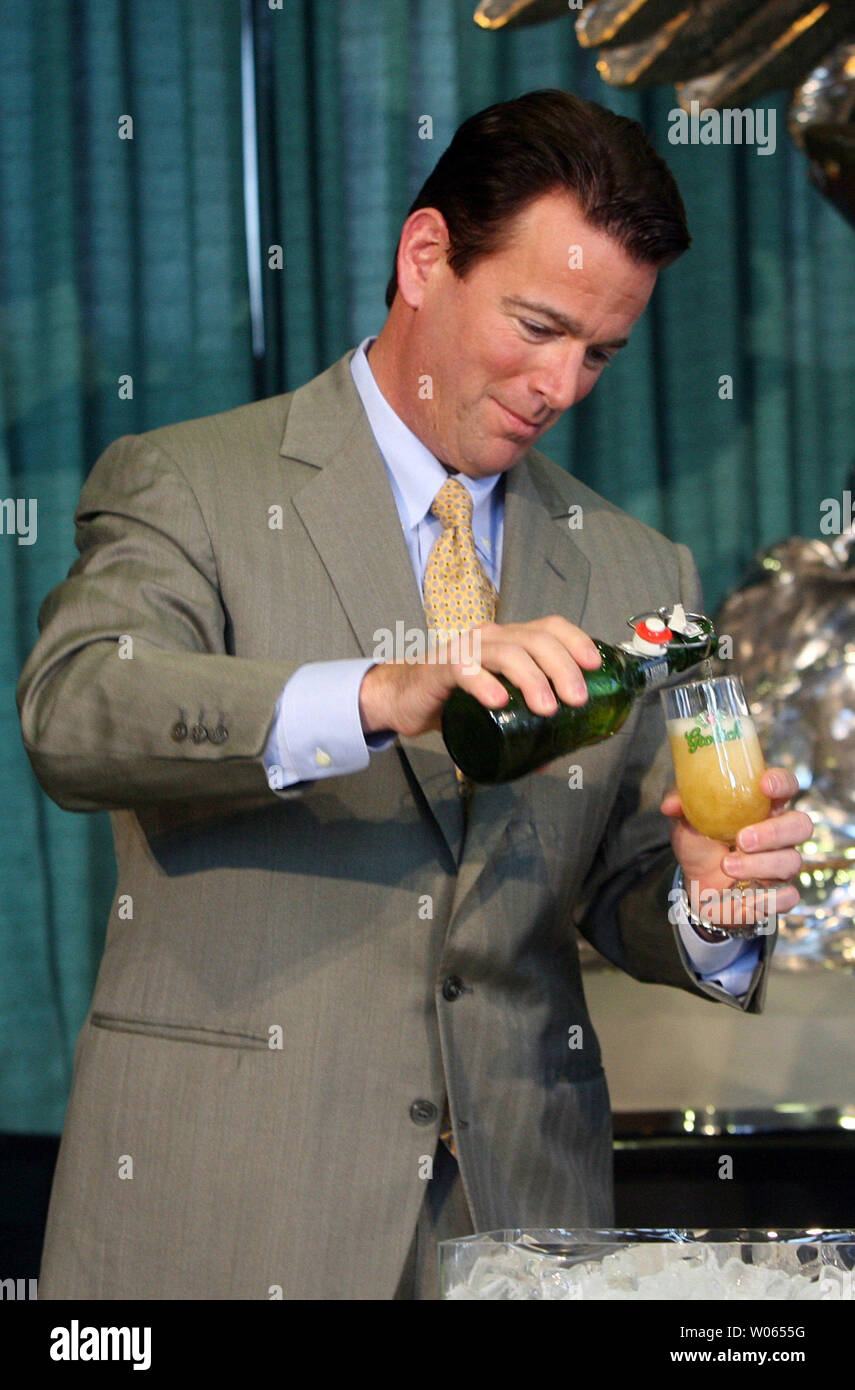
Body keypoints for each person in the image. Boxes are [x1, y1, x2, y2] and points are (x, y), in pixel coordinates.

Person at [17, 89, 810, 1300]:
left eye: (600, 352)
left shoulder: (642, 569)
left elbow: (627, 889)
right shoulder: (192, 480)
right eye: (537, 326)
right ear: (425, 257)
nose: (562, 385)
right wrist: (386, 690)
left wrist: (709, 900)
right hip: (224, 1220)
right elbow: (76, 713)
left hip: (522, 1232)